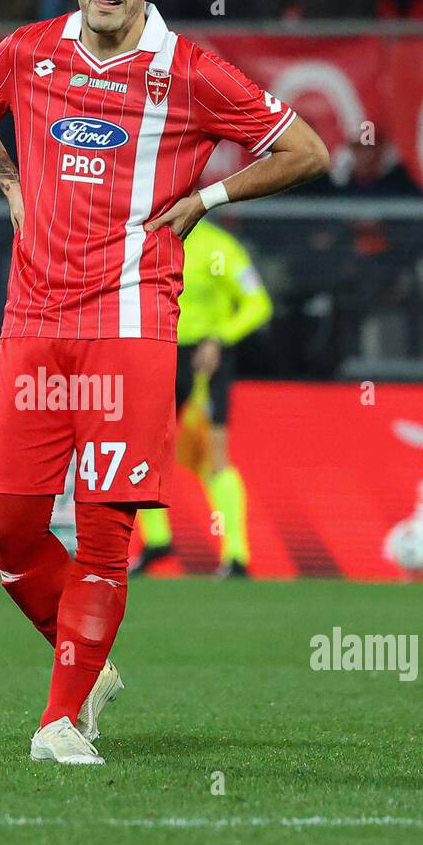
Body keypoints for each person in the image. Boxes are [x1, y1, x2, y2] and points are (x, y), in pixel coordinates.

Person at [0, 0, 329, 766]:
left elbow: (306, 150)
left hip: (132, 327)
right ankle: (90, 667)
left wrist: (207, 197)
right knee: (9, 527)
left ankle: (61, 717)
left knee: (106, 529)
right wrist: (8, 184)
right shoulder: (29, 52)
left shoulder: (188, 70)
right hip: (32, 321)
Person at [132, 221, 273, 579]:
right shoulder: (148, 239)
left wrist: (219, 338)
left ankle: (236, 555)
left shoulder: (219, 248)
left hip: (204, 363)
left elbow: (258, 304)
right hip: (157, 352)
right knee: (141, 450)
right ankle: (157, 541)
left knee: (212, 456)